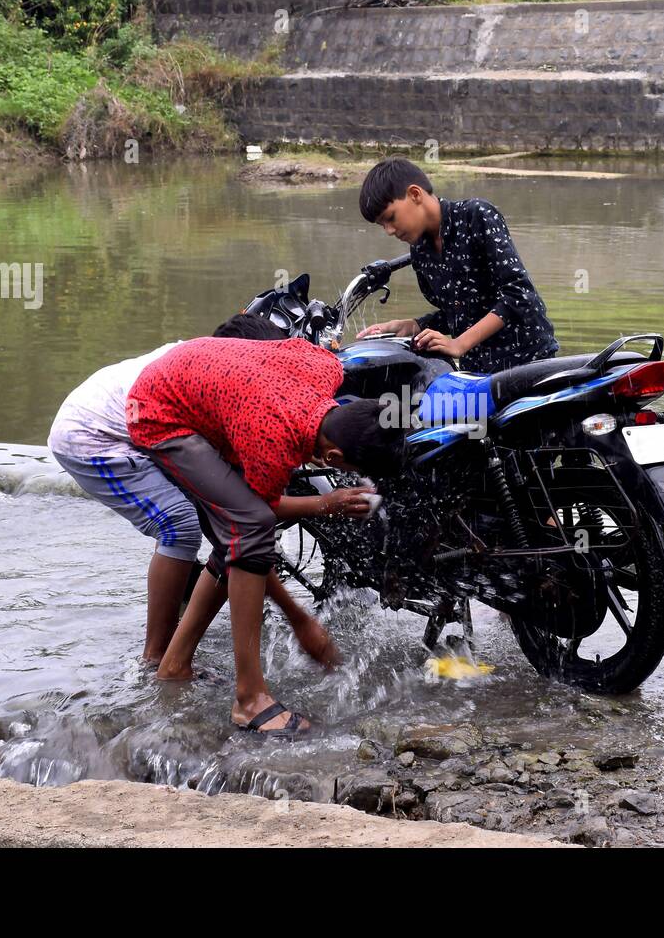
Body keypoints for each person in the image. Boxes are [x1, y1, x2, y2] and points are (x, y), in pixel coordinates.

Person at [46, 314, 368, 668]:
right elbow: (247, 522)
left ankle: (178, 641)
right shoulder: (221, 397)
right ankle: (155, 658)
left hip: (143, 422)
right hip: (91, 436)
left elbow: (242, 531)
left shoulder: (220, 373)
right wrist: (322, 506)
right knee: (179, 526)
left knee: (222, 525)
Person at [127, 336, 406, 738]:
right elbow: (262, 511)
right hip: (158, 411)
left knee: (238, 534)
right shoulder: (272, 438)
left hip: (200, 376)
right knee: (252, 525)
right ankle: (249, 698)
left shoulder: (327, 369)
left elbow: (300, 346)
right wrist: (326, 503)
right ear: (332, 460)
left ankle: (174, 666)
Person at [356, 157, 559, 373]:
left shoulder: (476, 216)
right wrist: (412, 325)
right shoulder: (420, 251)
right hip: (476, 371)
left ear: (415, 194)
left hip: (529, 361)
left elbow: (519, 295)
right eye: (382, 225)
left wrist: (459, 343)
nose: (389, 230)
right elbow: (457, 314)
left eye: (391, 218)